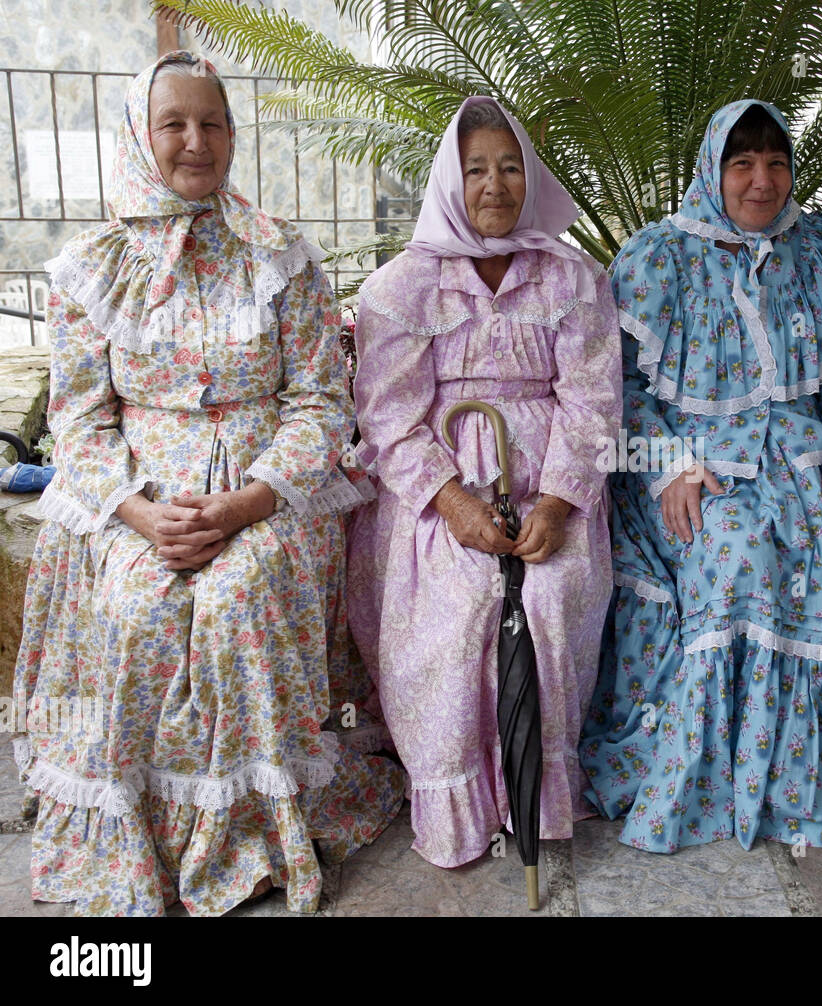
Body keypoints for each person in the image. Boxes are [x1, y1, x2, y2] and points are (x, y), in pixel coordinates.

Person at [11, 51, 405, 916]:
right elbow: (77, 419)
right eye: (174, 124)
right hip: (138, 496)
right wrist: (139, 514)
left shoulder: (280, 257)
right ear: (138, 135)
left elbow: (320, 400)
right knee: (142, 606)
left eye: (212, 123)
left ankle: (250, 834)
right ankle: (139, 830)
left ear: (232, 134)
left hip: (266, 492)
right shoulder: (92, 268)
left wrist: (246, 502)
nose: (196, 141)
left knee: (235, 602)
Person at [579, 100, 822, 854]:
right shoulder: (659, 256)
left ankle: (809, 782)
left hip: (800, 461)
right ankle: (716, 785)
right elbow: (623, 387)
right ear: (714, 169)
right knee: (736, 555)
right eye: (742, 163)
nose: (761, 180)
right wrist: (670, 466)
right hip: (697, 466)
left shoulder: (817, 248)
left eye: (776, 162)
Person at [346, 97, 621, 868]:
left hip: (547, 487)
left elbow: (594, 400)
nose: (494, 185)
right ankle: (461, 806)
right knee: (461, 609)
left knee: (548, 598)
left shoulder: (573, 278)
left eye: (510, 167)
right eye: (476, 170)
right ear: (448, 180)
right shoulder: (400, 290)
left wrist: (561, 504)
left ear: (530, 178)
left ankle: (533, 798)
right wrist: (456, 504)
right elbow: (390, 418)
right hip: (440, 495)